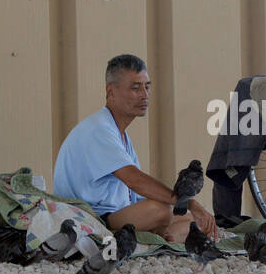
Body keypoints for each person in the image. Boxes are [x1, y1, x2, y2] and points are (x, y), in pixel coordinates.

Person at [53, 54, 218, 243]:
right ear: (111, 91)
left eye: (147, 87)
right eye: (135, 88)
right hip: (94, 218)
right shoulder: (98, 129)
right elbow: (135, 181)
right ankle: (160, 233)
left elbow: (136, 192)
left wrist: (190, 210)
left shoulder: (118, 132)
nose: (145, 95)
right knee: (161, 210)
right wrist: (189, 202)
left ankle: (165, 234)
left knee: (197, 220)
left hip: (123, 212)